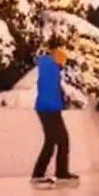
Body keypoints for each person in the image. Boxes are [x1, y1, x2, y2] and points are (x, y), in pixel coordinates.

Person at [31, 45, 79, 187]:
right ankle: (60, 173)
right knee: (62, 140)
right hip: (49, 109)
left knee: (52, 142)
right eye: (62, 63)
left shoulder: (47, 67)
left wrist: (61, 101)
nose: (62, 66)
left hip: (46, 108)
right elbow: (51, 91)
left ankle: (39, 174)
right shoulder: (52, 69)